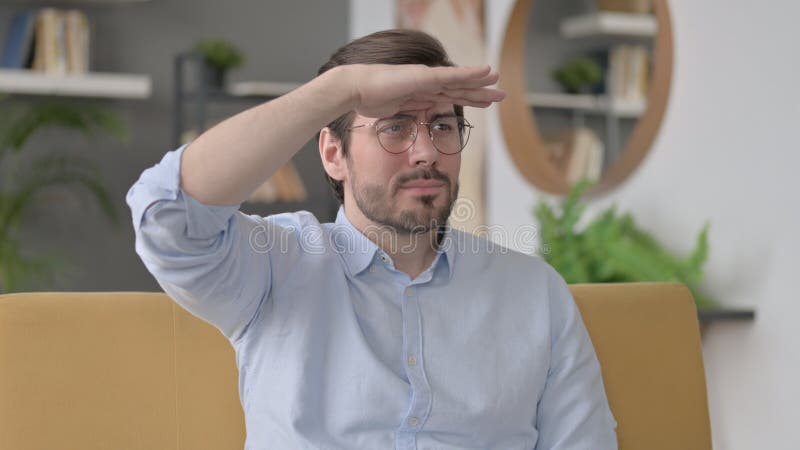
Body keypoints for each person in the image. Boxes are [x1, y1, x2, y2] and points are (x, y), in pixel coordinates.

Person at [127, 29, 617, 450]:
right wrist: (342, 89)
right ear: (334, 153)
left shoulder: (535, 293)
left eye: (442, 126)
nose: (426, 151)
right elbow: (166, 217)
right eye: (395, 127)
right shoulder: (274, 267)